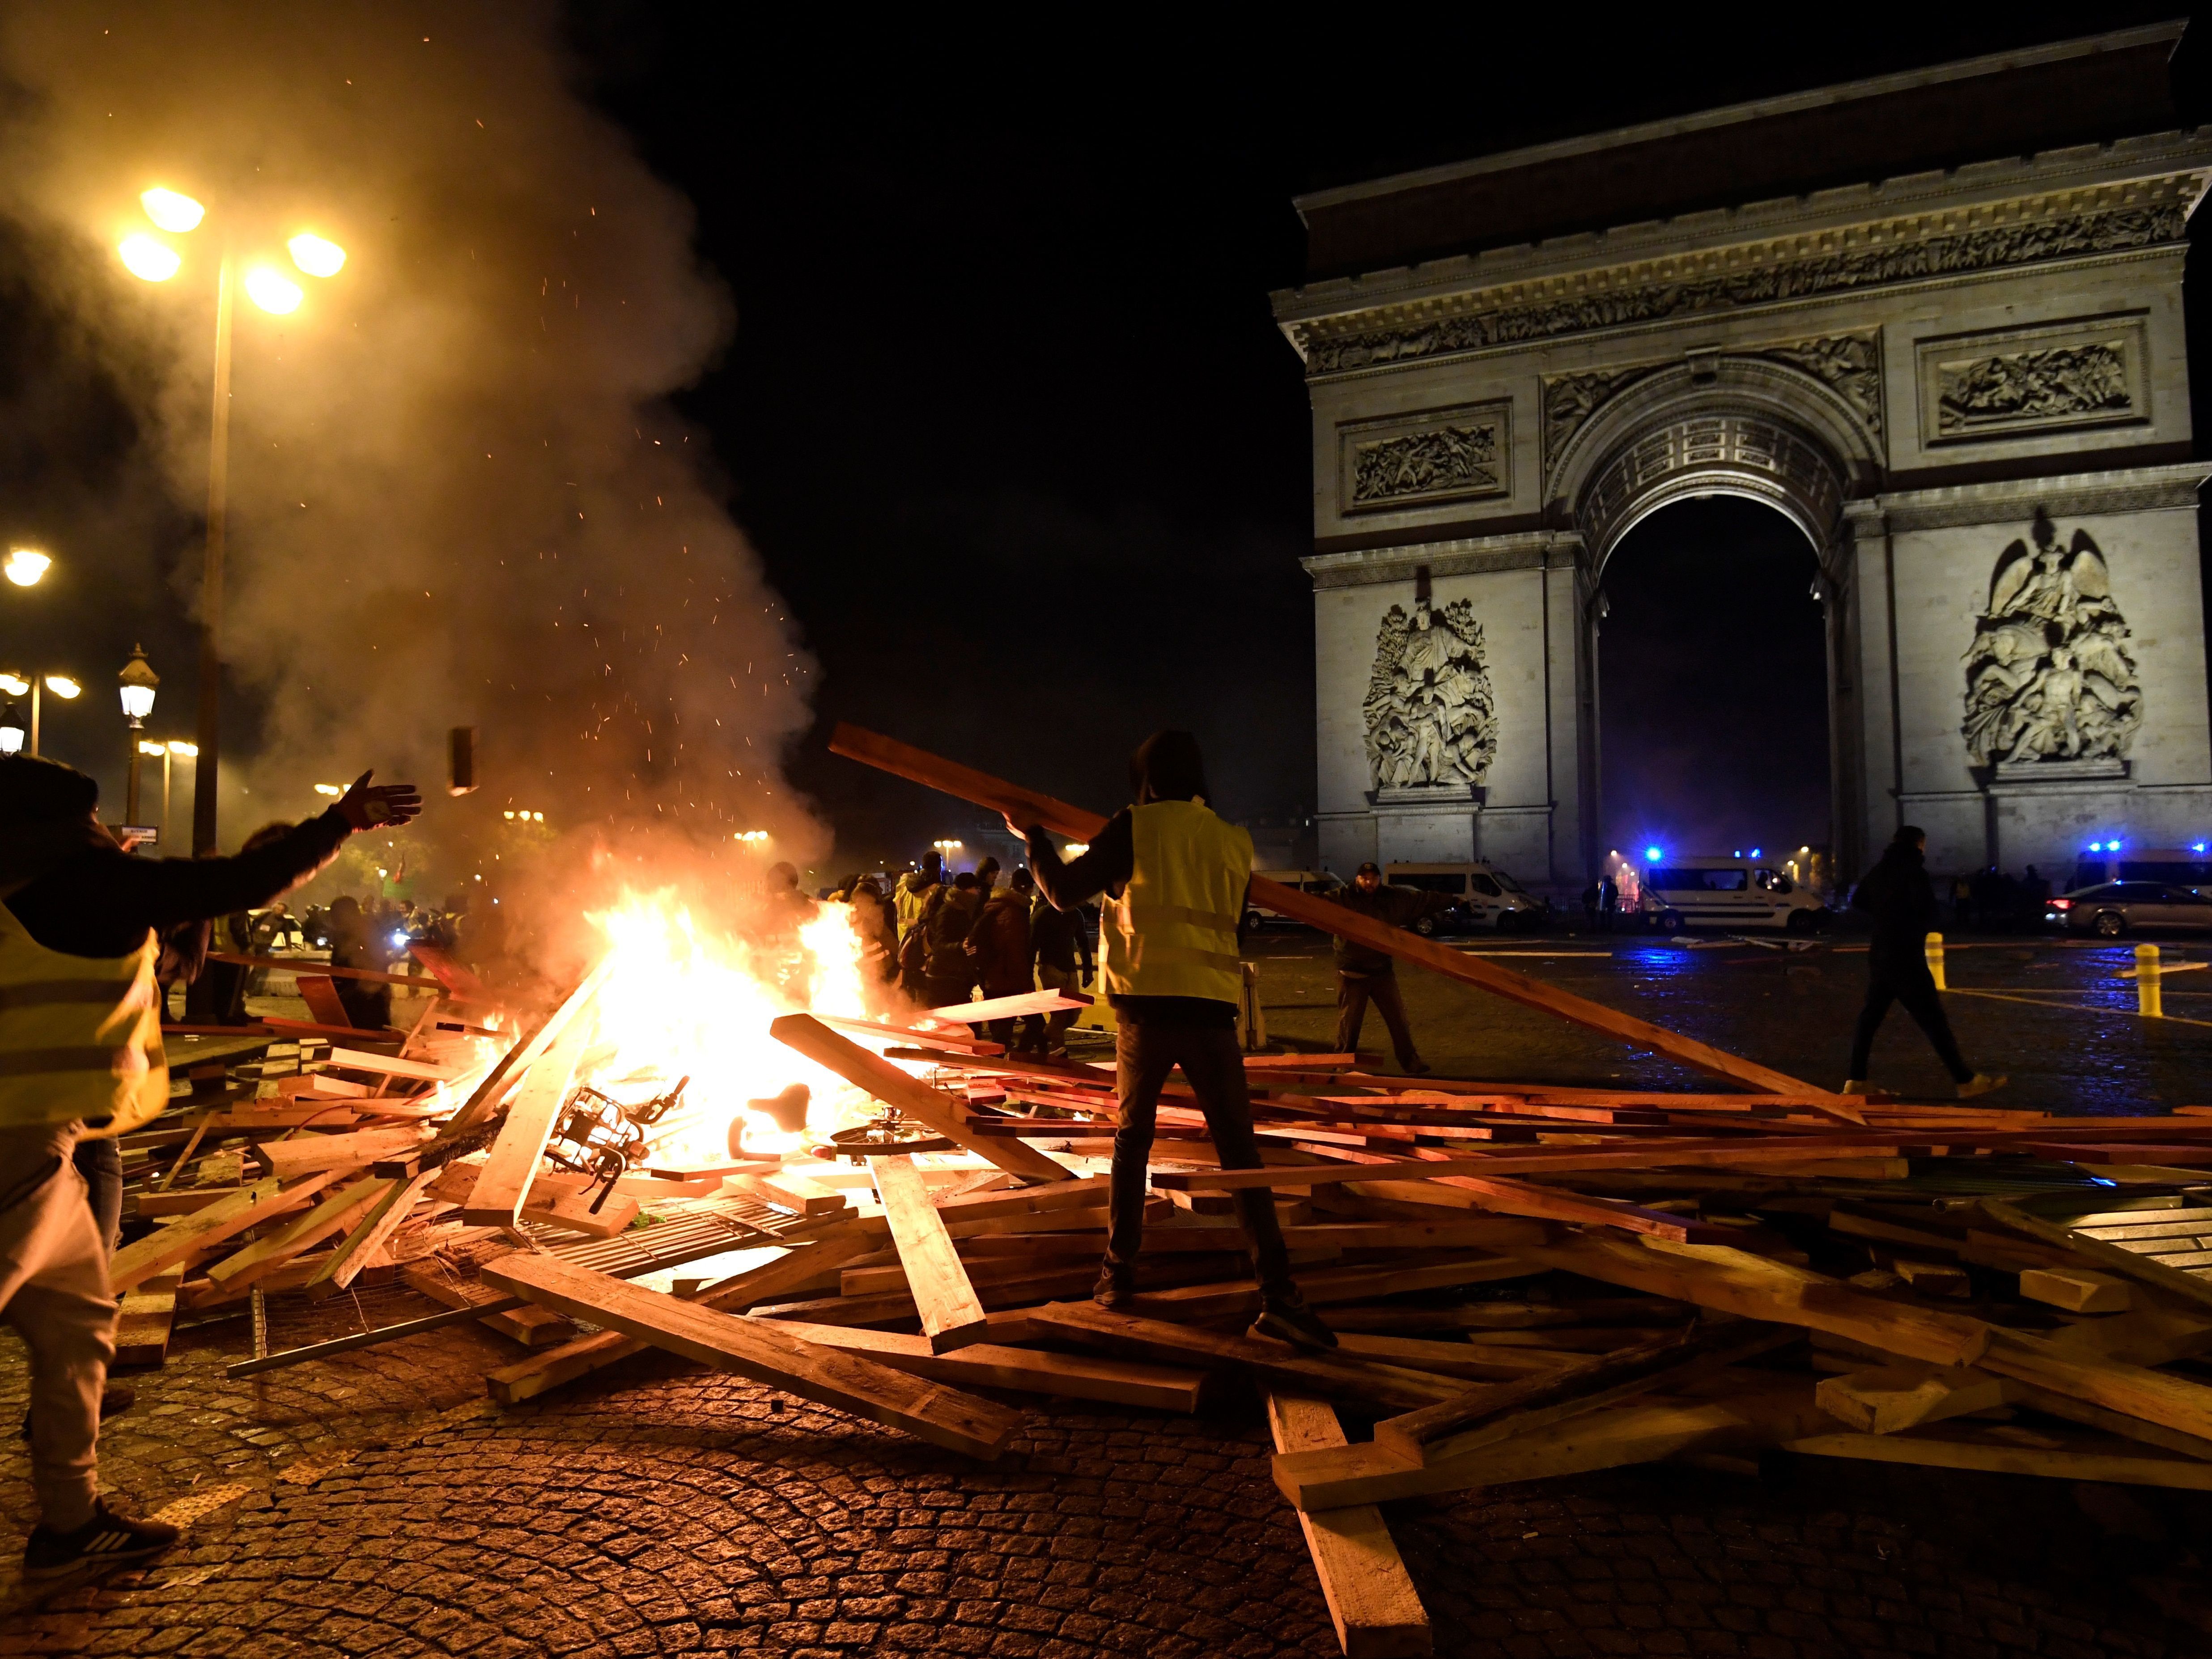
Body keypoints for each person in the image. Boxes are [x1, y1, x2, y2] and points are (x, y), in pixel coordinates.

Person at [0, 758, 419, 1575]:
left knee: (81, 1324)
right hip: (12, 1147)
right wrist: (341, 820)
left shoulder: (22, 889)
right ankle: (69, 1519)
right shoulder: (81, 887)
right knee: (75, 1323)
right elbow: (242, 877)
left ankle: (71, 1522)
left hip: (42, 1148)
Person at [1018, 729, 1336, 1351]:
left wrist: (1032, 837)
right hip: (1213, 1009)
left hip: (1146, 1011)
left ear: (1147, 779)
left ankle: (1117, 1276)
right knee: (1240, 1153)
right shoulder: (1231, 839)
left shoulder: (1136, 826)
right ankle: (1280, 1296)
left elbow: (1060, 893)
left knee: (1132, 1142)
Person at [1844, 825, 2004, 1099]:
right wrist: (1913, 925)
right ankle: (1965, 1081)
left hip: (1881, 953)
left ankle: (1856, 1080)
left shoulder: (1880, 870)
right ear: (1920, 844)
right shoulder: (1914, 872)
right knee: (1933, 1020)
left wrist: (1884, 915)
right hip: (1907, 956)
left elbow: (1858, 900)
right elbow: (1928, 913)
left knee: (1869, 1019)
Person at [1326, 863, 1450, 1074]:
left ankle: (1410, 1061)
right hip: (1352, 972)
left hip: (1382, 970)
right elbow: (1315, 903)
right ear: (1357, 879)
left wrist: (1453, 900)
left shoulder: (1392, 898)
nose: (1369, 882)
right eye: (1364, 878)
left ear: (1379, 879)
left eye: (1373, 878)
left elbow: (1422, 900)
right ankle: (1343, 1062)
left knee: (1398, 1020)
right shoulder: (1344, 897)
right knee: (1350, 1023)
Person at [1027, 870, 1095, 1057]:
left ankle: (1043, 1036)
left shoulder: (1076, 915)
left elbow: (1083, 942)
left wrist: (1087, 970)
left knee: (1074, 1013)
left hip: (1070, 969)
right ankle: (1059, 1051)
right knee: (1060, 1014)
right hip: (1051, 968)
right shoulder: (1042, 915)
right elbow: (1032, 947)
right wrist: (1028, 976)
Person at [965, 865, 1034, 1049]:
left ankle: (1010, 1062)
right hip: (1008, 979)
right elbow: (1015, 951)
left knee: (1001, 1028)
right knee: (1012, 1029)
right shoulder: (1014, 912)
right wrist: (1027, 982)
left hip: (992, 978)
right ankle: (1007, 1065)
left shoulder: (996, 906)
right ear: (1028, 888)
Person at [324, 896, 392, 1031]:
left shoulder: (366, 931)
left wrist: (365, 988)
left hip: (368, 999)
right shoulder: (345, 934)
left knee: (371, 1036)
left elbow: (378, 962)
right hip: (350, 997)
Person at [920, 871, 983, 1009]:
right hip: (944, 978)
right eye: (976, 889)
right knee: (961, 1023)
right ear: (966, 890)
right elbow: (939, 946)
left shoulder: (963, 909)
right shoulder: (948, 911)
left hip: (955, 977)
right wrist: (961, 946)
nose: (978, 893)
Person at [894, 852, 943, 1000]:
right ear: (938, 868)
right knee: (923, 994)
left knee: (908, 989)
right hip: (923, 945)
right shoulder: (936, 890)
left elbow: (896, 908)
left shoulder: (903, 884)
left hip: (904, 941)